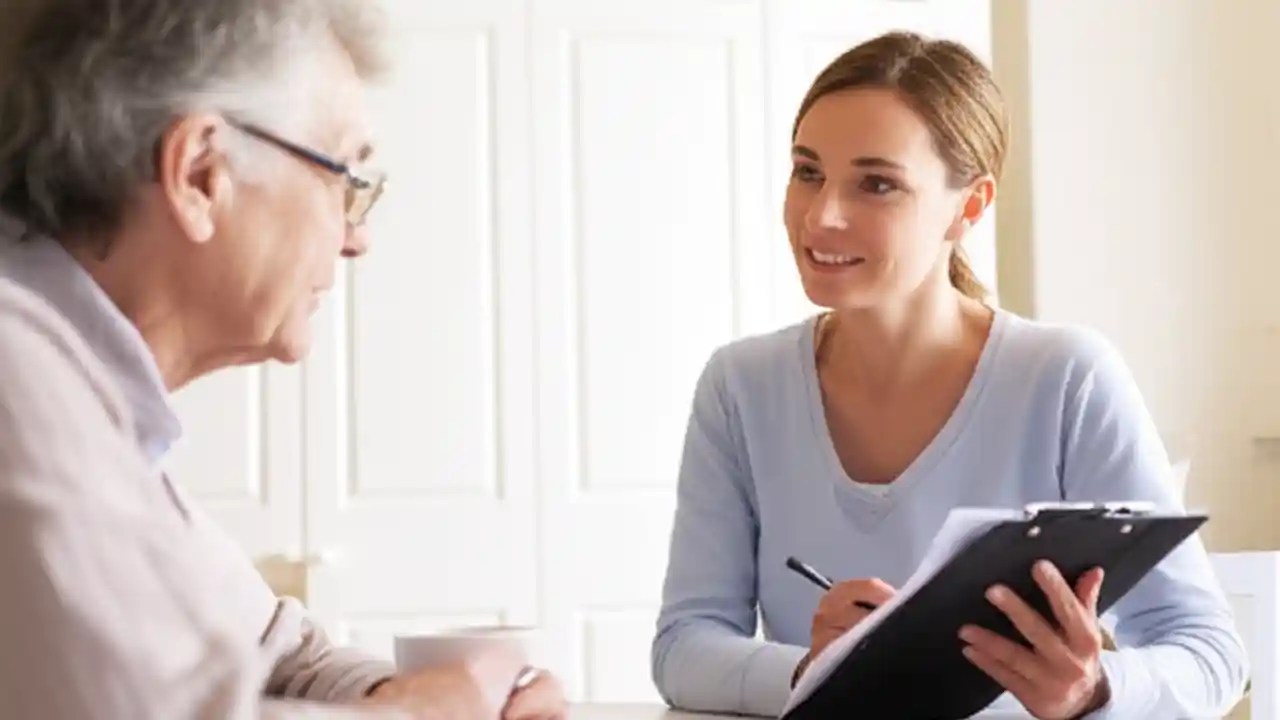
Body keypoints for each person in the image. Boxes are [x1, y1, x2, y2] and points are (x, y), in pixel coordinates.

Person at [651, 31, 1248, 720]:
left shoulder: (1066, 379)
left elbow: (1210, 653)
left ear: (969, 207)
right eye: (807, 171)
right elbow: (683, 647)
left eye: (877, 184)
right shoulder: (741, 387)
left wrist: (1094, 689)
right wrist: (813, 672)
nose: (822, 216)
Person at [0, 1, 565, 719]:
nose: (356, 240)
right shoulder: (16, 370)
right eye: (347, 181)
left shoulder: (92, 407)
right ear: (201, 173)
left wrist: (469, 693)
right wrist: (432, 709)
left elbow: (284, 654)